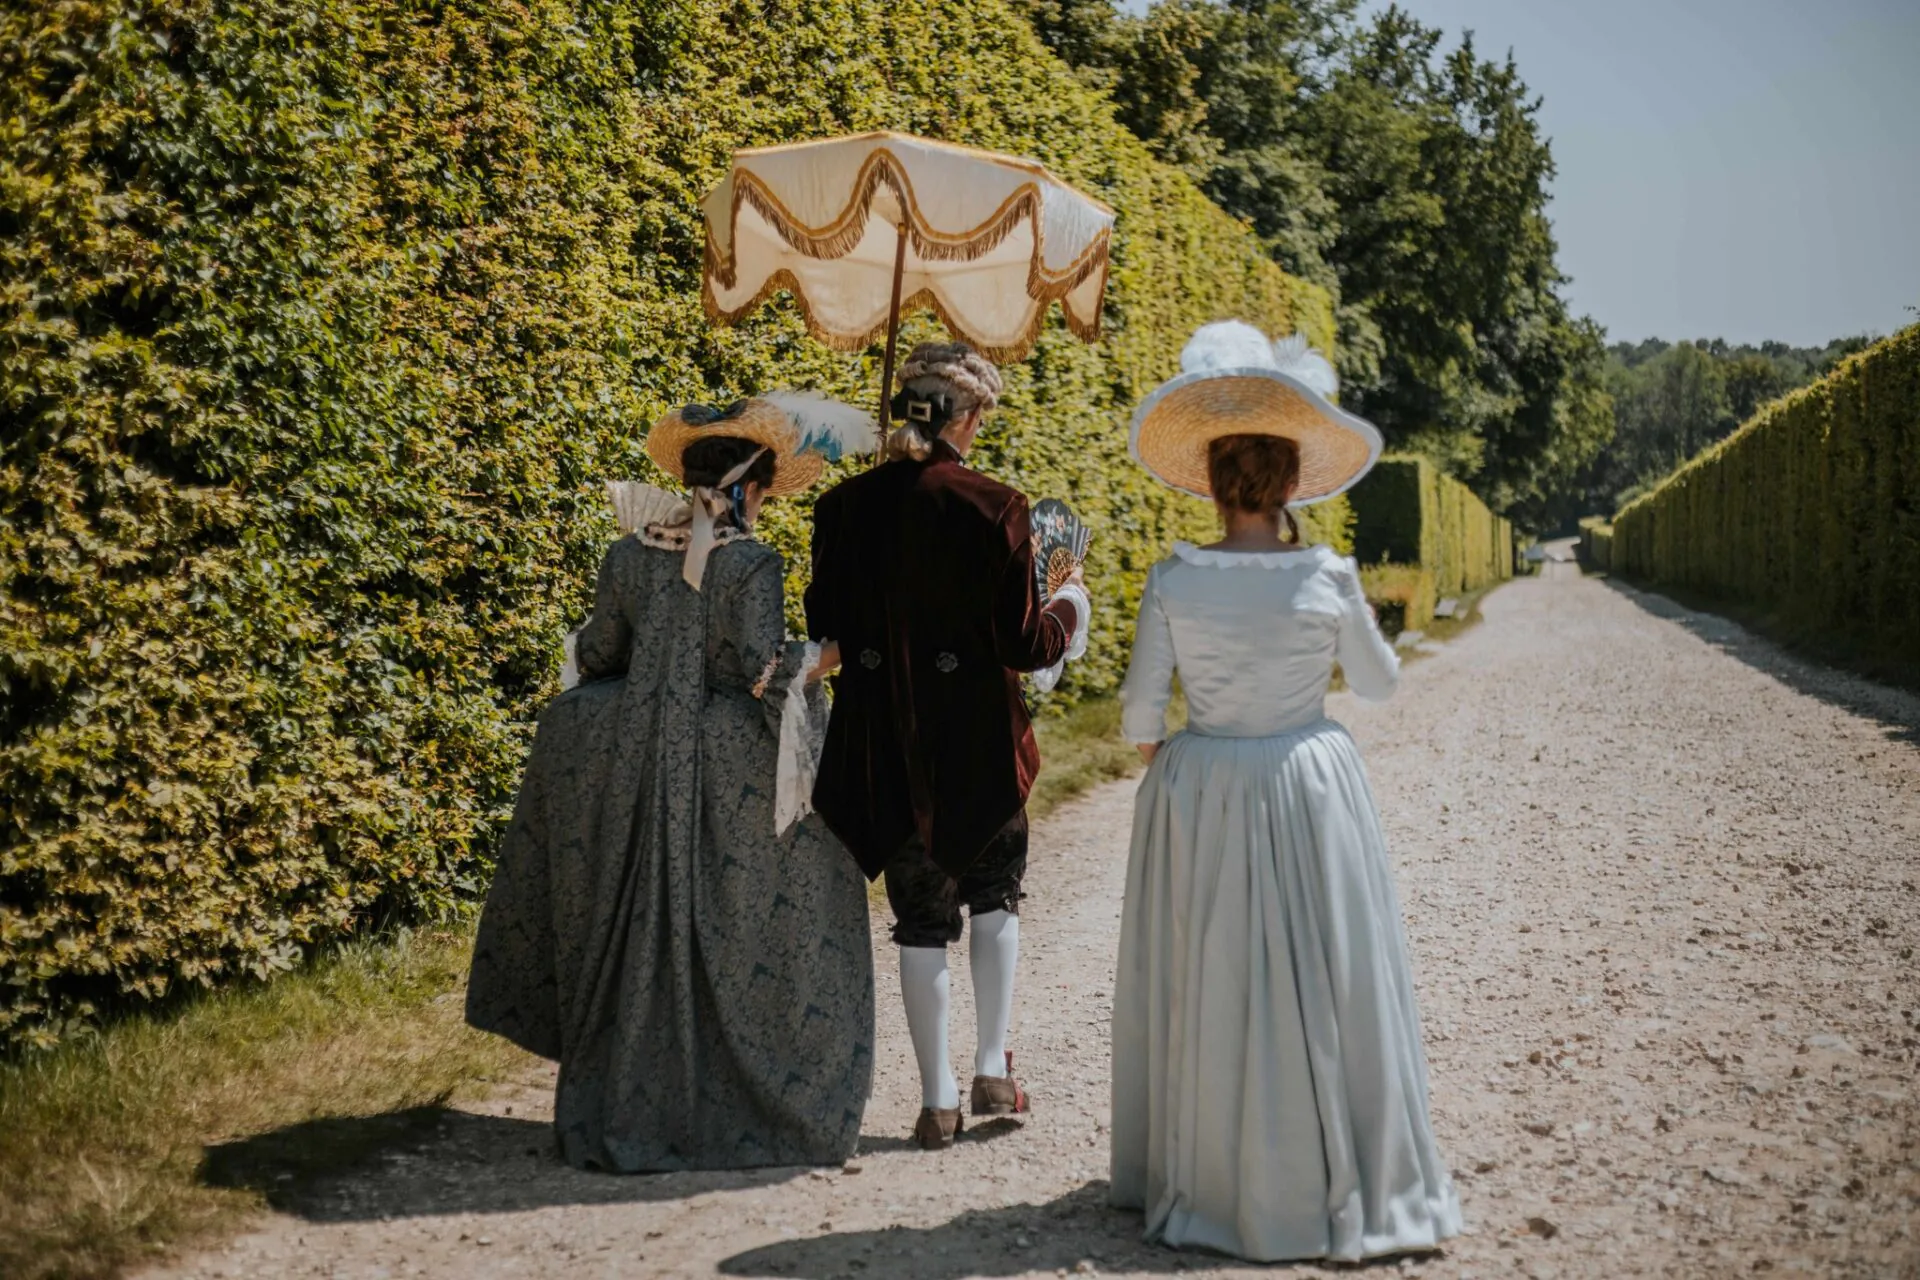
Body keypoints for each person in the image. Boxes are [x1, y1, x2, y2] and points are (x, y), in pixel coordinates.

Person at [1110, 321, 1462, 1261]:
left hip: (1208, 780)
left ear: (1214, 483)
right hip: (1310, 781)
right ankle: (1335, 1163)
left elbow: (1141, 717)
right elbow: (1381, 685)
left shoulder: (1172, 579)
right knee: (1331, 970)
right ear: (1293, 484)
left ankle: (1213, 1168)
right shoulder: (1328, 575)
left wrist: (1173, 758)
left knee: (1212, 975)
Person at [465, 396, 878, 1172]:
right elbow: (761, 672)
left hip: (632, 765)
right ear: (746, 489)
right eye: (763, 490)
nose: (763, 503)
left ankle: (623, 1092)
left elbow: (597, 656)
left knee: (634, 912)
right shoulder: (751, 562)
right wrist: (828, 655)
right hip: (724, 765)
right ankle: (737, 1100)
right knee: (770, 905)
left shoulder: (626, 554)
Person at [806, 342, 1092, 1151]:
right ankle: (994, 1067)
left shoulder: (841, 508)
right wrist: (1068, 603)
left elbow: (825, 619)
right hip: (976, 748)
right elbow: (1028, 644)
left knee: (919, 922)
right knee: (996, 895)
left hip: (882, 748)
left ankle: (936, 1104)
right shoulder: (995, 506)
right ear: (968, 416)